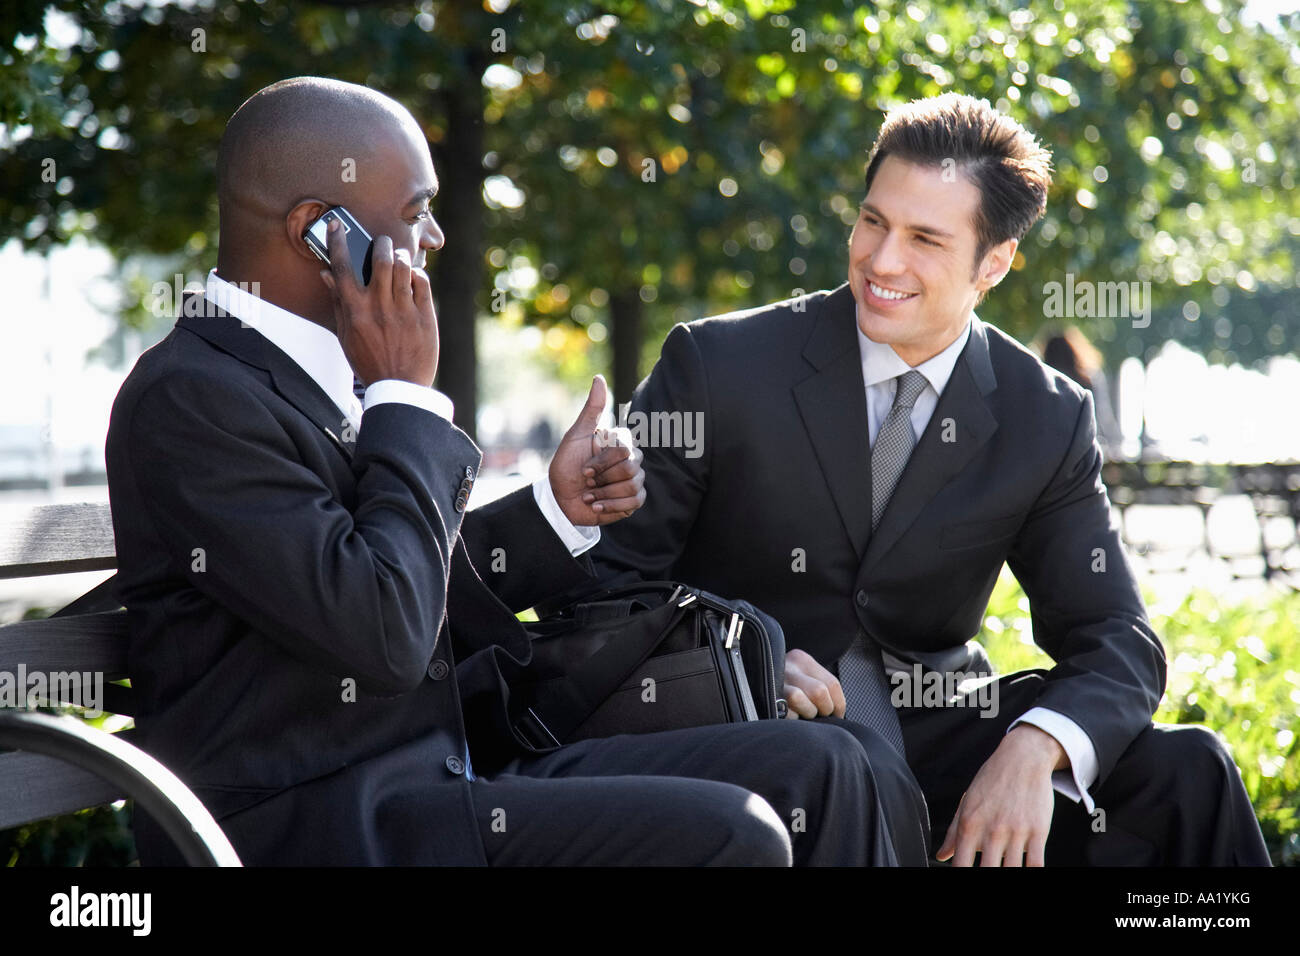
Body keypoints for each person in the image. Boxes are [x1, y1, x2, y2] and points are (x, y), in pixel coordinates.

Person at [104, 76, 929, 866]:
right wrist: (402, 396)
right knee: (734, 833)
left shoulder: (319, 376)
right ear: (321, 230)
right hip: (319, 824)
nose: (434, 239)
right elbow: (385, 635)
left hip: (442, 780)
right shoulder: (193, 399)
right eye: (415, 213)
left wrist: (553, 510)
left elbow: (412, 589)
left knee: (824, 767)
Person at [589, 93, 1270, 866]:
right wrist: (737, 659)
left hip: (941, 741)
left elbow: (1116, 637)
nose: (882, 261)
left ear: (995, 262)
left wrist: (1033, 747)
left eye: (924, 239)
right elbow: (607, 590)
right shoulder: (716, 368)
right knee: (853, 769)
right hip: (761, 748)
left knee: (1188, 772)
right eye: (874, 222)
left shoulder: (1044, 416)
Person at [1040, 326, 1124, 460]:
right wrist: (1113, 448)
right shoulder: (1088, 382)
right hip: (1084, 452)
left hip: (1049, 454)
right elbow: (1102, 417)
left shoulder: (1041, 384)